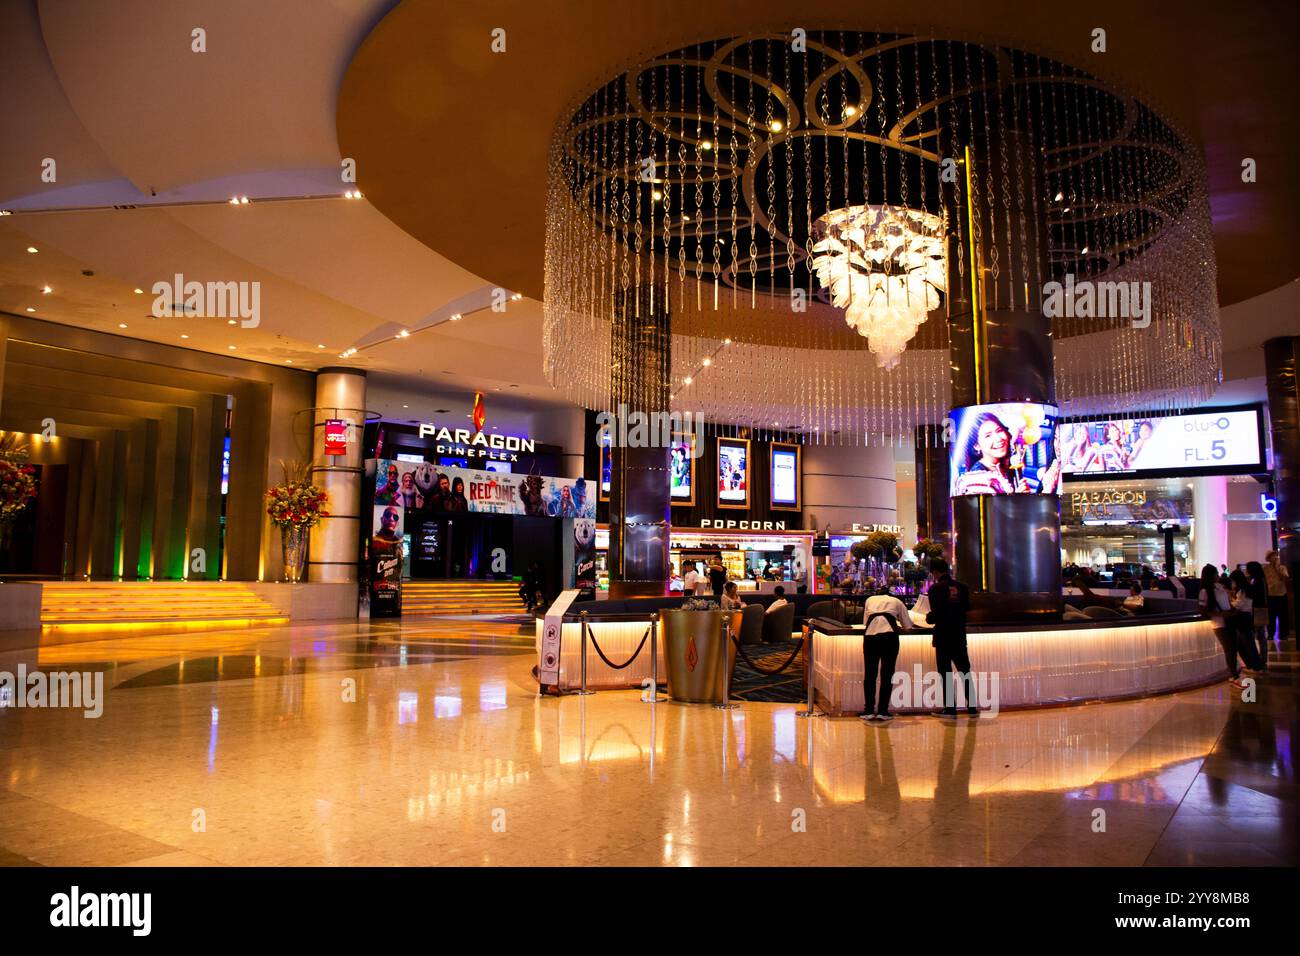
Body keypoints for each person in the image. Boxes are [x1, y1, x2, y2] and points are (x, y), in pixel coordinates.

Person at [924, 559, 977, 717]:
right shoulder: (962, 587)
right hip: (959, 634)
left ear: (935, 572)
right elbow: (967, 607)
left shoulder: (935, 589)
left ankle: (950, 708)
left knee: (945, 672)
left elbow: (936, 613)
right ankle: (972, 707)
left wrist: (928, 618)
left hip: (943, 635)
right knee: (964, 671)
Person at [860, 589, 912, 722]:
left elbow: (865, 622)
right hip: (889, 637)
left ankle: (869, 710)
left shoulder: (869, 600)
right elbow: (908, 626)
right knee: (887, 673)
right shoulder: (897, 601)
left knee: (870, 674)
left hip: (870, 636)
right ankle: (883, 710)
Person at [952, 412, 1034, 495]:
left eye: (999, 431)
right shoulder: (977, 479)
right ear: (977, 446)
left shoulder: (1005, 467)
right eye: (988, 436)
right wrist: (1016, 500)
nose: (998, 439)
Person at [1200, 565, 1242, 685]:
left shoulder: (1220, 587)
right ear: (1210, 575)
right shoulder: (1204, 591)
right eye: (1216, 573)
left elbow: (1227, 602)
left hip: (1229, 621)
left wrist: (1231, 610)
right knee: (1229, 649)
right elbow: (1202, 609)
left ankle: (1234, 675)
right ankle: (1234, 675)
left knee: (1233, 648)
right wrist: (1220, 614)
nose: (1218, 575)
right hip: (1219, 624)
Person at [1227, 569, 1265, 673]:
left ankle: (1256, 667)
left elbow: (1239, 605)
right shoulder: (1246, 589)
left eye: (1233, 581)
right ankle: (1252, 665)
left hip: (1243, 618)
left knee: (1248, 644)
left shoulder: (1242, 591)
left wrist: (1229, 602)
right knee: (1244, 644)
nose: (1232, 583)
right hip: (1246, 618)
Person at [1245, 560, 1270, 667]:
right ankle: (1262, 659)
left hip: (1259, 610)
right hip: (1260, 609)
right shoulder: (1259, 580)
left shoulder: (1258, 581)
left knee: (1260, 636)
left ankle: (1262, 659)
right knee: (1260, 636)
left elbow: (1256, 596)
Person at [1264, 550, 1290, 643]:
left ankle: (1283, 635)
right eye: (1272, 556)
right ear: (1268, 558)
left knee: (1283, 615)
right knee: (1271, 616)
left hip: (1282, 594)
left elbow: (1286, 577)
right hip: (1270, 595)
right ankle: (1271, 634)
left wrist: (1278, 568)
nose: (1274, 557)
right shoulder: (1265, 568)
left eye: (1275, 555)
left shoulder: (1282, 567)